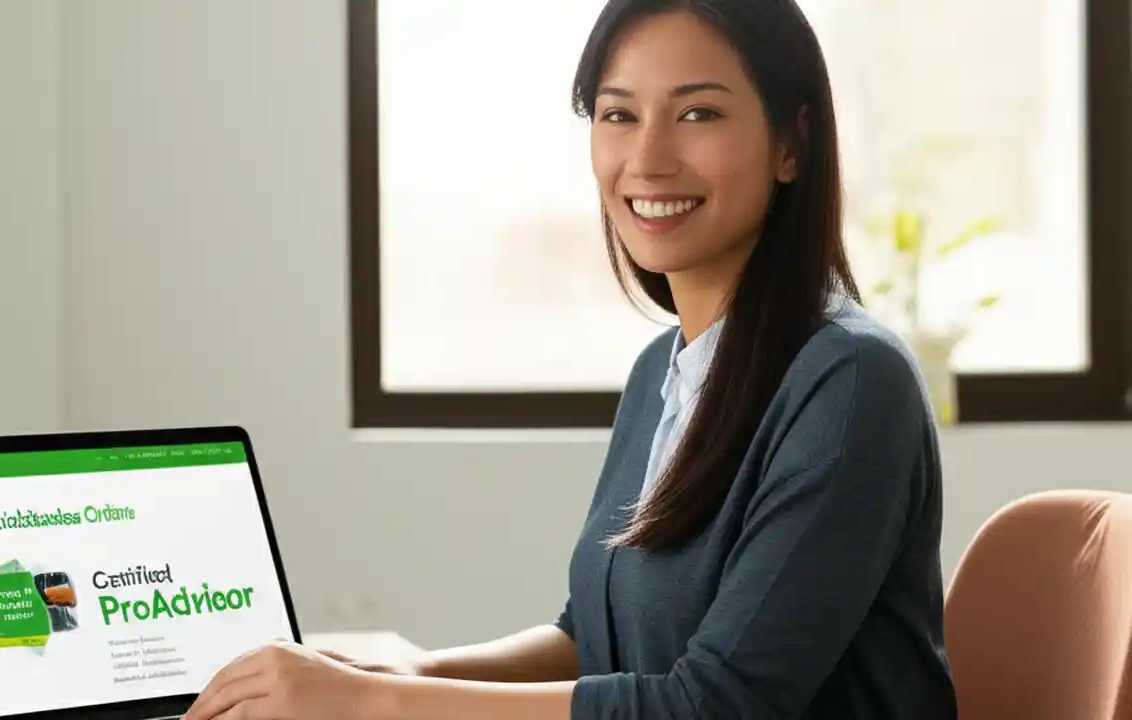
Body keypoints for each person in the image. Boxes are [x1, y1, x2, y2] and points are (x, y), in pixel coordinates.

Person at [185, 0, 958, 718]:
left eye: (698, 113)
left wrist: (375, 707)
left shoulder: (851, 382)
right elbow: (594, 638)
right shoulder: (667, 368)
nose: (648, 158)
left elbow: (717, 705)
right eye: (619, 114)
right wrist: (402, 676)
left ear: (791, 143)